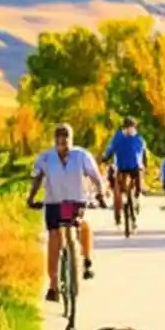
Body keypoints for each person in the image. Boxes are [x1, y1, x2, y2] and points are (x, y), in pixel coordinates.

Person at [27, 123, 107, 303]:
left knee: (79, 225)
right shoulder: (46, 158)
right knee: (54, 237)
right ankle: (54, 284)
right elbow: (37, 178)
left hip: (74, 201)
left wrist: (100, 193)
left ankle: (85, 259)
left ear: (72, 139)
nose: (63, 142)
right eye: (59, 139)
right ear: (54, 140)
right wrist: (31, 198)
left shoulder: (81, 156)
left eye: (66, 138)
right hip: (54, 202)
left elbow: (95, 177)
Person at [102, 117, 148, 226]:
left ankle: (136, 199)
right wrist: (106, 156)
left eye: (130, 127)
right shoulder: (122, 137)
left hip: (131, 168)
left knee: (135, 187)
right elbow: (111, 148)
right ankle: (119, 215)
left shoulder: (137, 139)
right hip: (123, 168)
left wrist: (145, 164)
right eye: (127, 127)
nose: (128, 130)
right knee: (118, 190)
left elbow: (144, 153)